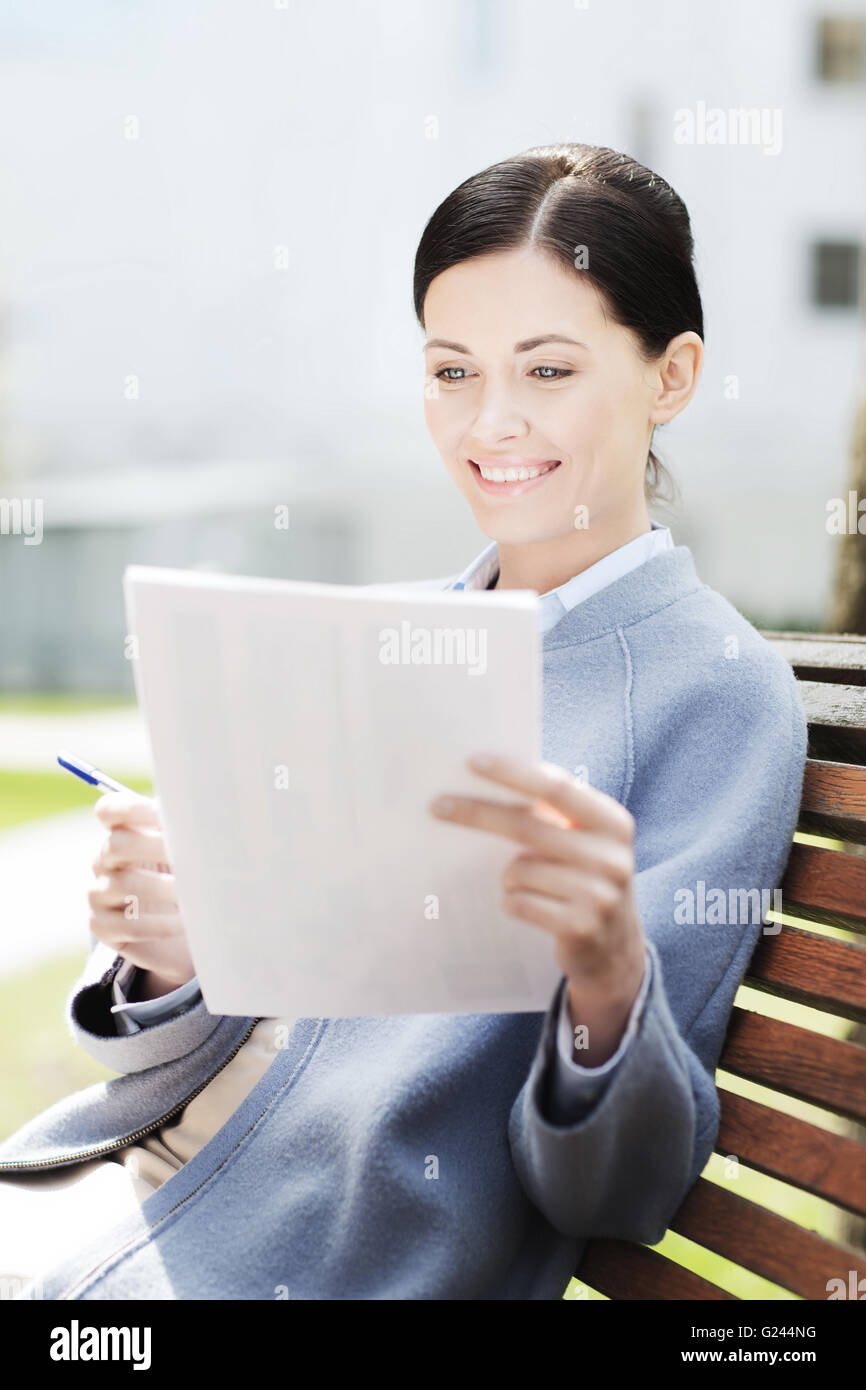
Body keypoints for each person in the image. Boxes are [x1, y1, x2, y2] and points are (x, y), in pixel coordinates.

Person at [0, 142, 807, 1301]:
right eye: (449, 371)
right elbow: (200, 1041)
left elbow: (613, 1191)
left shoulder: (712, 694)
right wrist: (178, 956)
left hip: (312, 1254)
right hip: (136, 1180)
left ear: (669, 376)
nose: (489, 424)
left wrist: (604, 981)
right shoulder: (371, 637)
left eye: (544, 371)